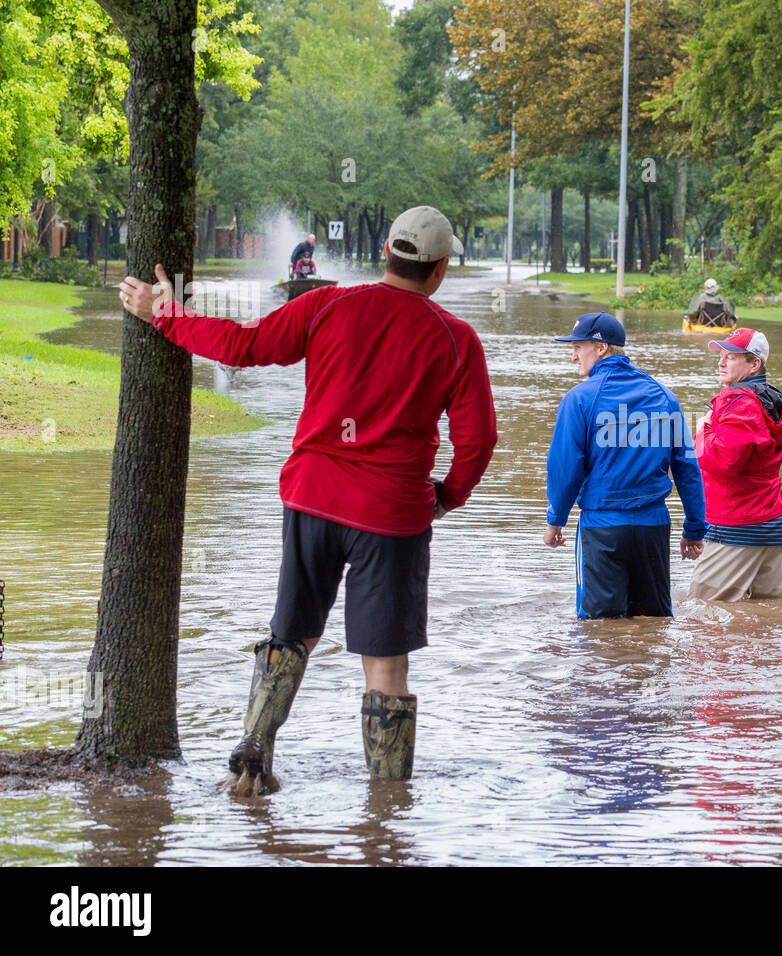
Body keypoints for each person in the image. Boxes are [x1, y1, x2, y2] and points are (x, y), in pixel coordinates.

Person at [117, 206, 497, 793]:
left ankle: (254, 746)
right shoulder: (456, 338)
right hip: (392, 515)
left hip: (313, 497)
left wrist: (166, 314)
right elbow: (478, 439)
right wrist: (446, 498)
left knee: (291, 633)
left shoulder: (326, 305)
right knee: (387, 664)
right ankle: (386, 813)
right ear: (440, 270)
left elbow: (243, 347)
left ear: (385, 256)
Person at [543, 311, 706, 618]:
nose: (573, 356)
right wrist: (695, 527)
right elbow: (687, 468)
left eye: (578, 347)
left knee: (599, 627)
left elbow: (565, 467)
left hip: (602, 527)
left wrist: (556, 521)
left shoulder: (579, 400)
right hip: (653, 527)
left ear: (600, 348)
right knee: (653, 621)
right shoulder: (664, 396)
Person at [689, 328, 782, 601]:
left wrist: (702, 430)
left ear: (755, 364)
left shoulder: (741, 405)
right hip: (773, 523)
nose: (721, 362)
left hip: (736, 525)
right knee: (768, 615)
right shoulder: (778, 400)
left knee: (702, 615)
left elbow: (721, 462)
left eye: (731, 357)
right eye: (722, 355)